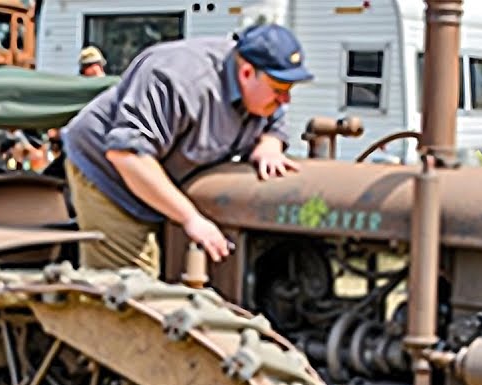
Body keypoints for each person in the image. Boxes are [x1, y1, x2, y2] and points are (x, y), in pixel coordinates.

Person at [60, 24, 311, 277]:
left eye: (289, 90)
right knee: (134, 290)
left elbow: (276, 118)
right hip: (111, 176)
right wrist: (191, 219)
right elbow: (127, 156)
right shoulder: (178, 80)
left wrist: (270, 143)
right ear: (246, 73)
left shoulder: (261, 89)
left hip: (170, 173)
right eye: (280, 90)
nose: (285, 100)